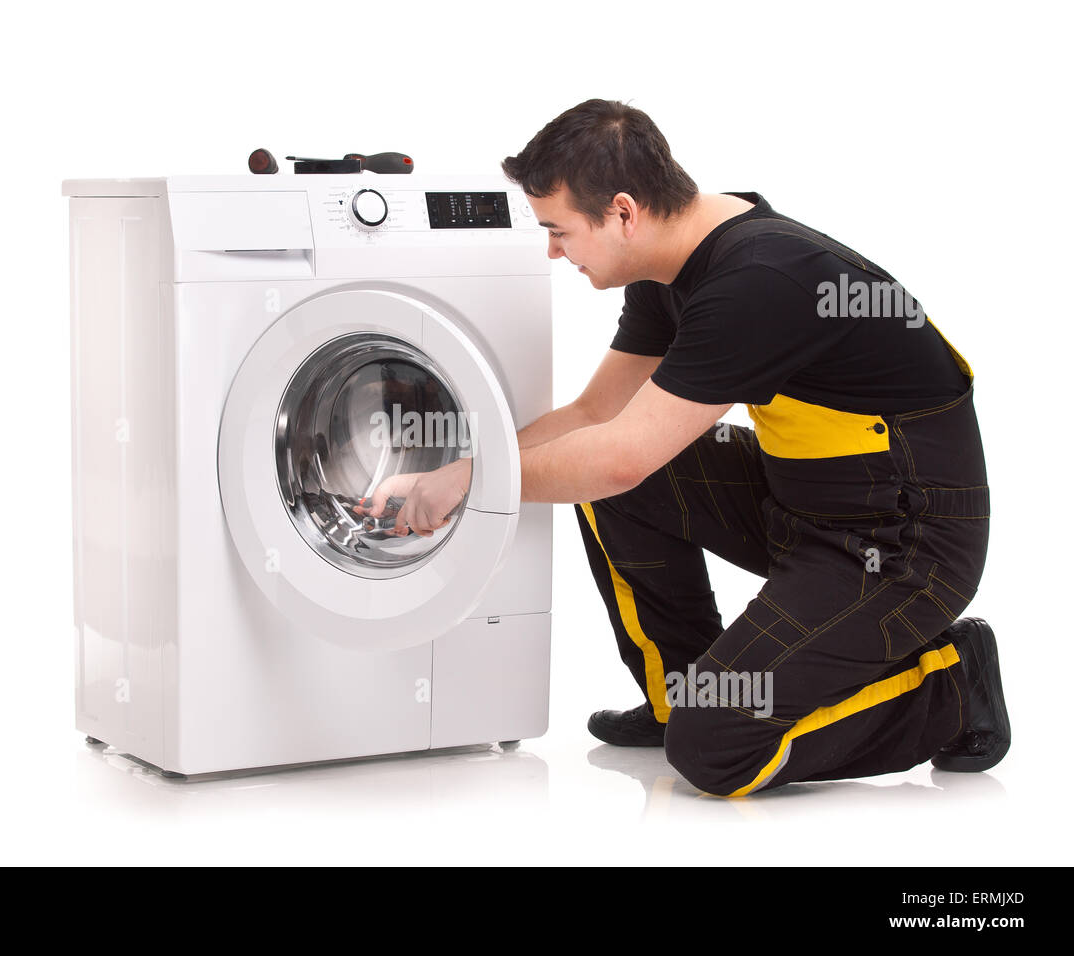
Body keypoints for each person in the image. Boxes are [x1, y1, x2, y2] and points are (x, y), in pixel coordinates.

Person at [356, 98, 1008, 796]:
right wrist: (457, 469)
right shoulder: (670, 265)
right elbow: (595, 416)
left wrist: (470, 485)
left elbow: (619, 458)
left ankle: (951, 684)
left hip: (905, 540)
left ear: (624, 212)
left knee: (717, 749)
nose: (552, 251)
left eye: (559, 231)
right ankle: (681, 694)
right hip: (801, 500)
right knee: (600, 477)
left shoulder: (758, 282)